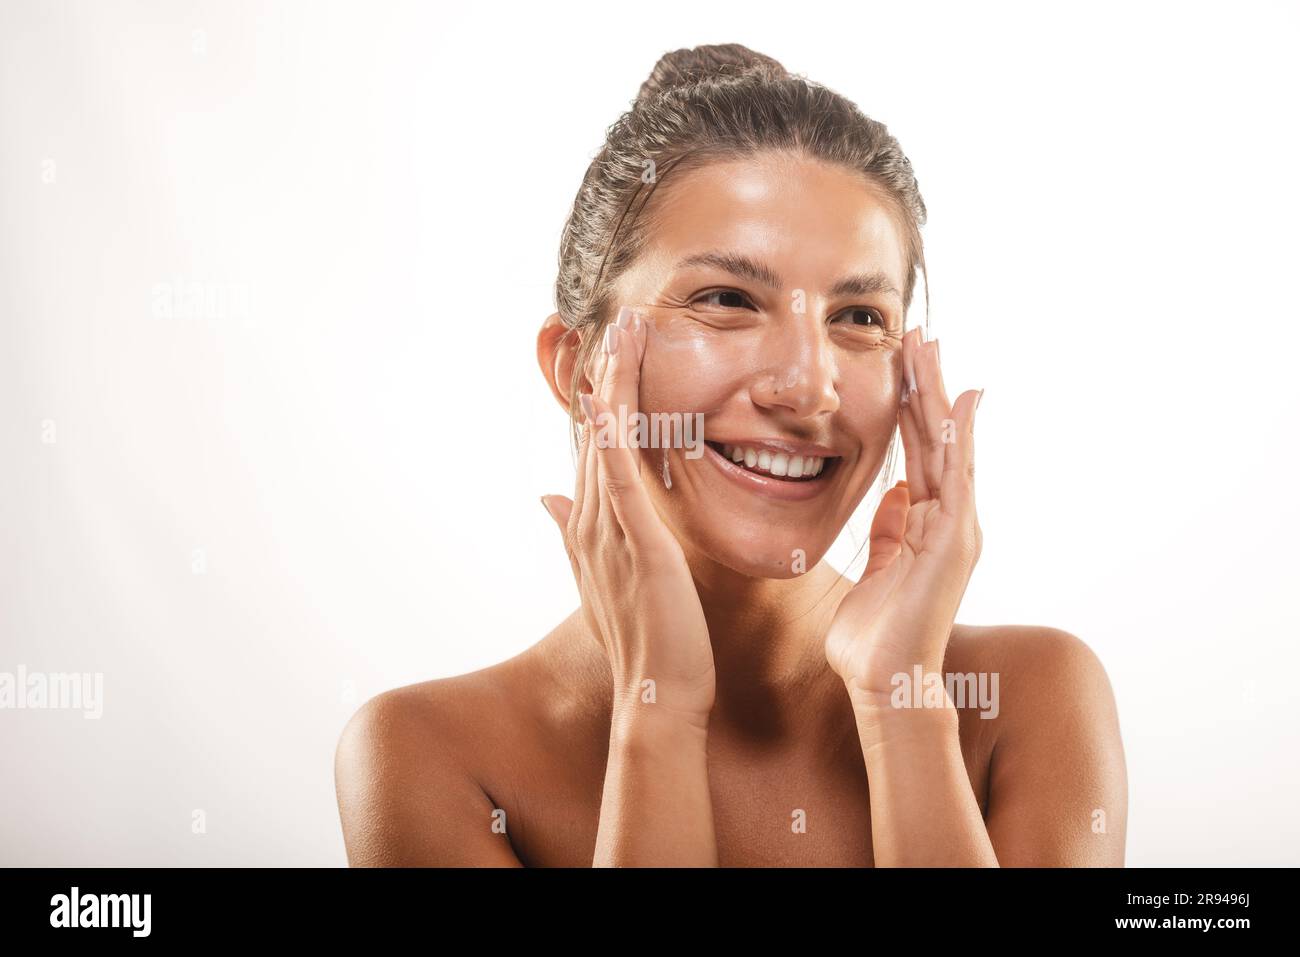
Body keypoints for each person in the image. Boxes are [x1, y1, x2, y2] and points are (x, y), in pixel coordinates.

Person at [335, 43, 1127, 867]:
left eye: (858, 315)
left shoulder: (1030, 700)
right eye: (726, 300)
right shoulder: (429, 756)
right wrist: (660, 713)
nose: (807, 385)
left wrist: (904, 706)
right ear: (577, 370)